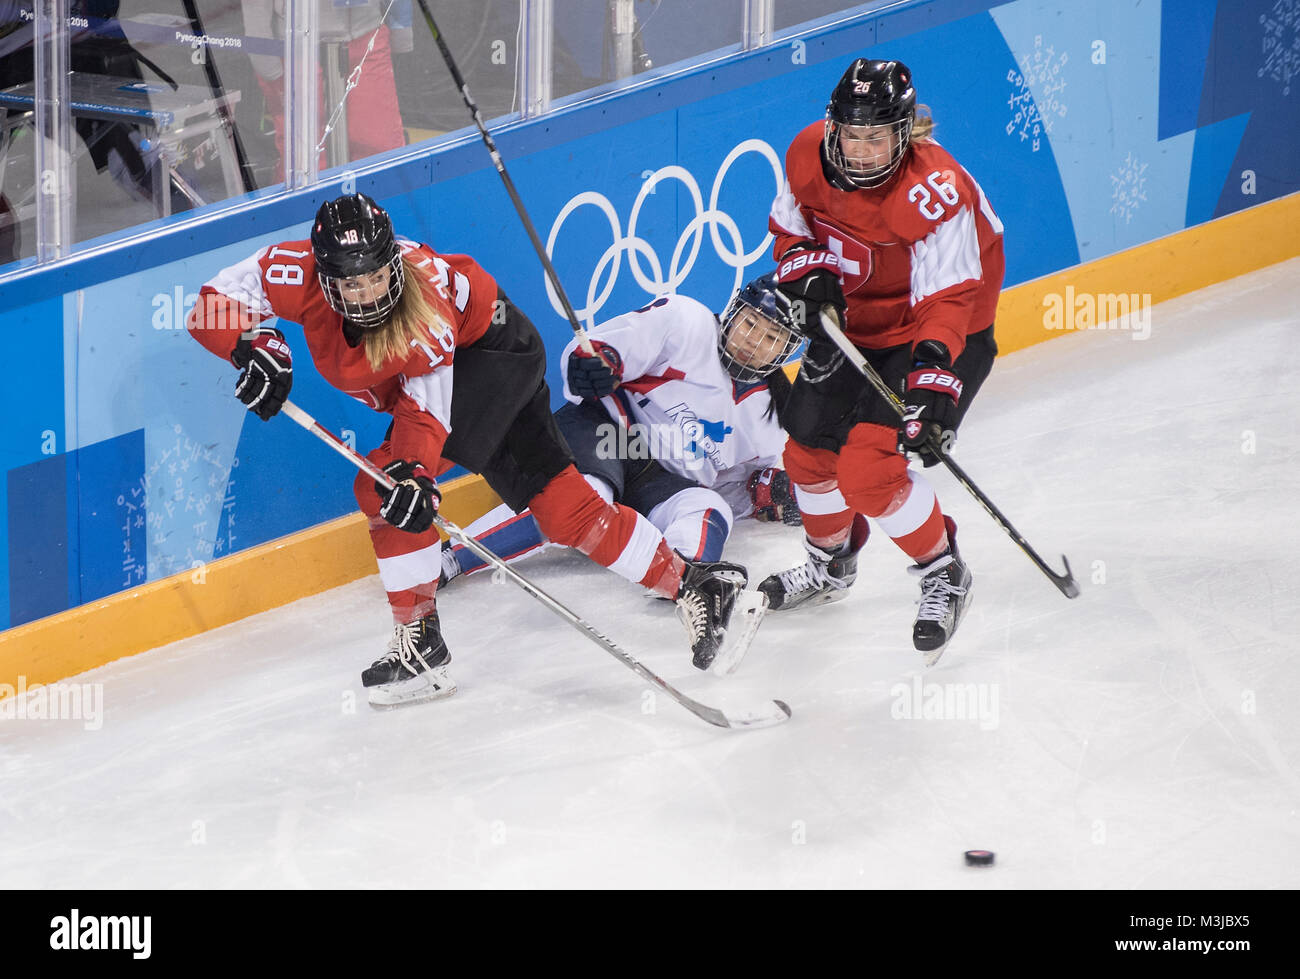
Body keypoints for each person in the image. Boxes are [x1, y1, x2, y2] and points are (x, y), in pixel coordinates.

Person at [185, 193, 763, 707]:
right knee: (565, 507)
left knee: (383, 487)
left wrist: (414, 475)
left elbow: (427, 413)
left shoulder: (424, 308)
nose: (364, 296)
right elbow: (210, 302)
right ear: (325, 277)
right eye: (348, 284)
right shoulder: (295, 272)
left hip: (491, 357)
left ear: (393, 265)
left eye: (374, 278)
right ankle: (697, 584)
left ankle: (421, 643)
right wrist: (251, 344)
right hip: (498, 348)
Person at [763, 58, 1004, 664]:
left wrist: (932, 380)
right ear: (833, 127)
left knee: (868, 472)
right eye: (852, 134)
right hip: (856, 322)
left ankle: (943, 570)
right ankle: (829, 566)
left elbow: (948, 299)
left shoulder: (933, 192)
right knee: (806, 454)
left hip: (939, 329)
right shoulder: (804, 155)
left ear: (905, 133)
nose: (863, 150)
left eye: (877, 137)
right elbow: (789, 232)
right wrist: (806, 272)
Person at [438, 276, 804, 588]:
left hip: (661, 482)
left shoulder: (770, 417)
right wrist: (596, 365)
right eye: (750, 324)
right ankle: (451, 558)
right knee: (587, 495)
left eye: (771, 337)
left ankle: (685, 582)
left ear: (786, 350)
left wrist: (761, 492)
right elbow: (599, 350)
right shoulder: (686, 322)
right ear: (733, 311)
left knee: (711, 509)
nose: (753, 342)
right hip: (607, 433)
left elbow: (734, 488)